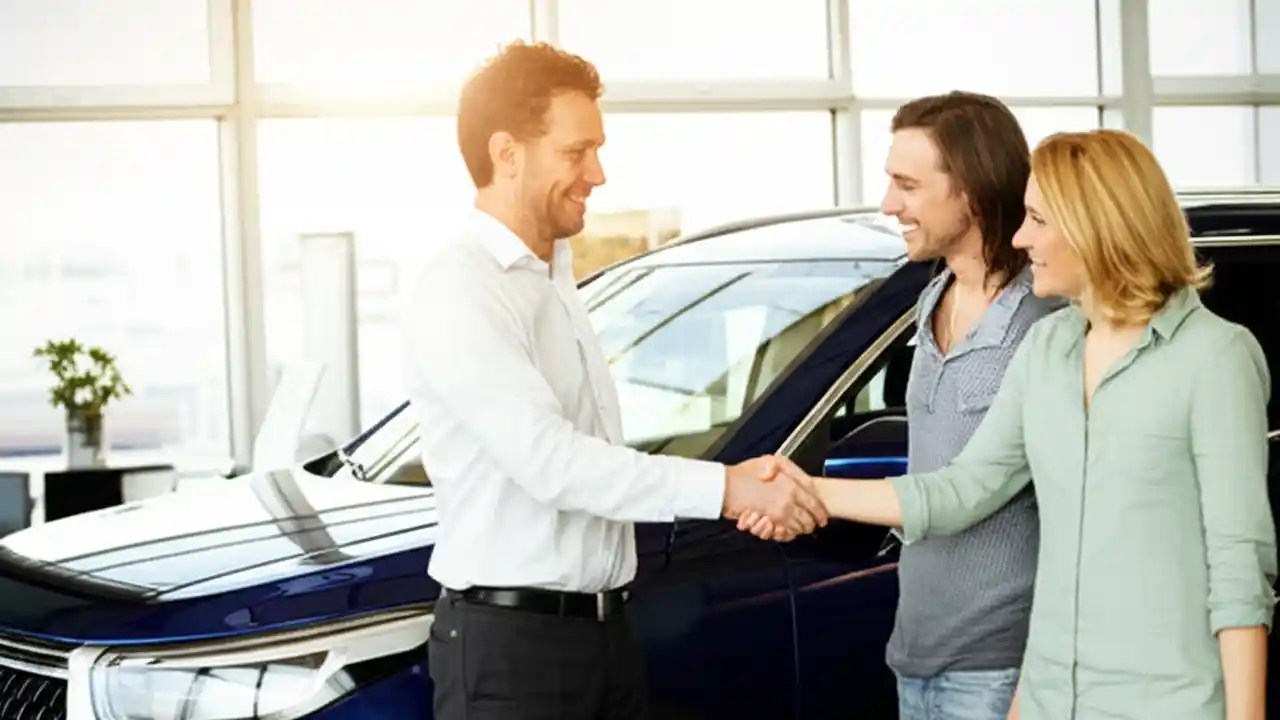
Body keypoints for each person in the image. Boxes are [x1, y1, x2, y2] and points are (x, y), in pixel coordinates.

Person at [743, 128, 1276, 720]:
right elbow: (962, 489)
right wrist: (808, 488)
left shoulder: (1215, 357)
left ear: (1094, 225)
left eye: (1038, 220)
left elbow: (1239, 567)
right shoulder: (1048, 348)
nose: (1022, 239)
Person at [399, 41, 826, 720]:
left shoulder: (555, 274)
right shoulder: (462, 286)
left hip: (605, 637)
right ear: (506, 154)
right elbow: (552, 462)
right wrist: (729, 487)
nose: (598, 173)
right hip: (516, 656)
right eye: (577, 152)